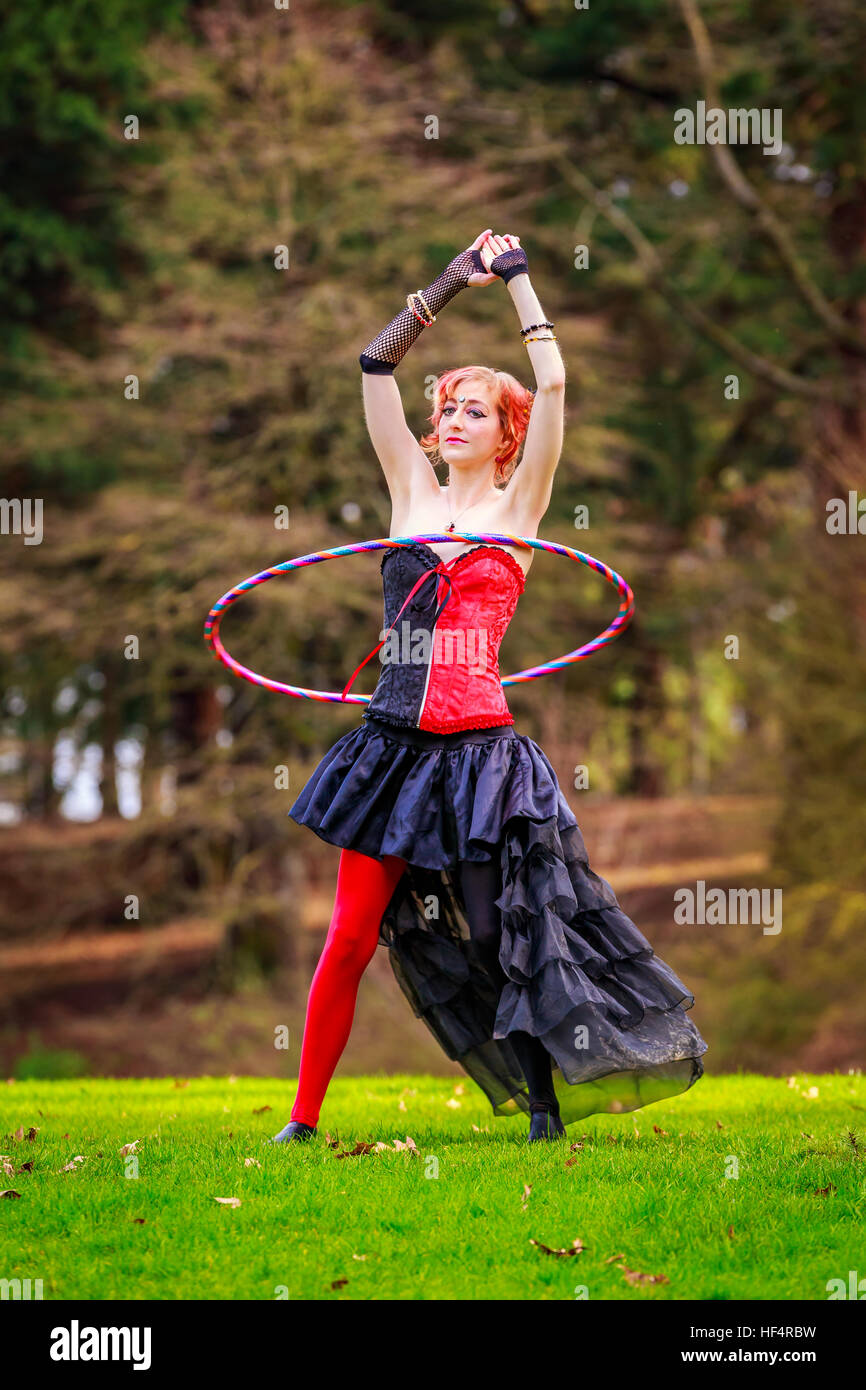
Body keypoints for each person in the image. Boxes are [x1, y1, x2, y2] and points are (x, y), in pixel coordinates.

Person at [273, 229, 707, 1145]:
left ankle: (546, 1110)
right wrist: (446, 282)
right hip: (389, 748)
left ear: (504, 434)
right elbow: (373, 367)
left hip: (478, 756)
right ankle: (303, 1122)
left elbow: (552, 386)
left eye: (476, 410)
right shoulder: (406, 494)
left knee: (503, 935)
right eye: (451, 409)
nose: (456, 420)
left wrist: (516, 281)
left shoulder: (519, 513)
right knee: (349, 936)